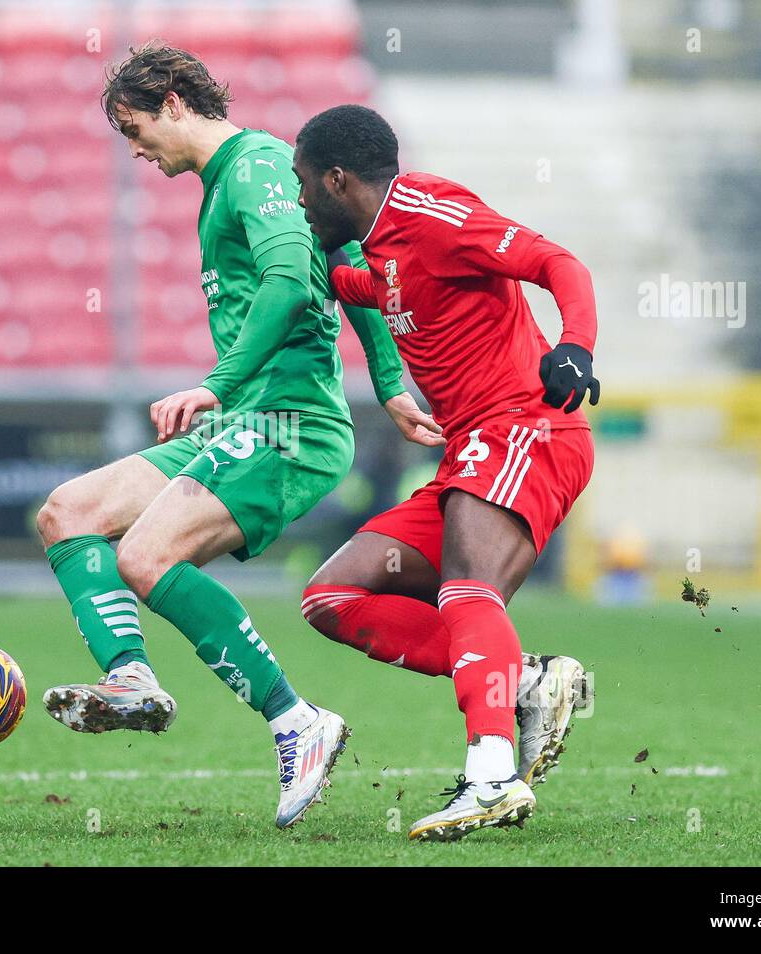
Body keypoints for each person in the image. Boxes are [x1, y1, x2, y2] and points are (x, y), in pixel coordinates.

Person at [35, 42, 441, 829]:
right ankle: (131, 679)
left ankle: (298, 722)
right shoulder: (237, 181)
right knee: (66, 512)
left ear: (176, 101)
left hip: (286, 424)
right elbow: (346, 256)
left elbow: (294, 280)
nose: (135, 148)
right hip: (245, 419)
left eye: (135, 125)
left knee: (145, 557)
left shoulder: (254, 168)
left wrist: (216, 384)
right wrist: (390, 385)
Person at [292, 104, 600, 840]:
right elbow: (388, 291)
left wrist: (576, 346)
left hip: (527, 424)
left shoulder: (431, 211)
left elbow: (560, 263)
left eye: (305, 186)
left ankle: (491, 776)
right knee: (331, 595)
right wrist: (318, 276)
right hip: (471, 448)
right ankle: (523, 682)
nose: (301, 201)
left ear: (338, 179)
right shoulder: (382, 250)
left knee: (468, 587)